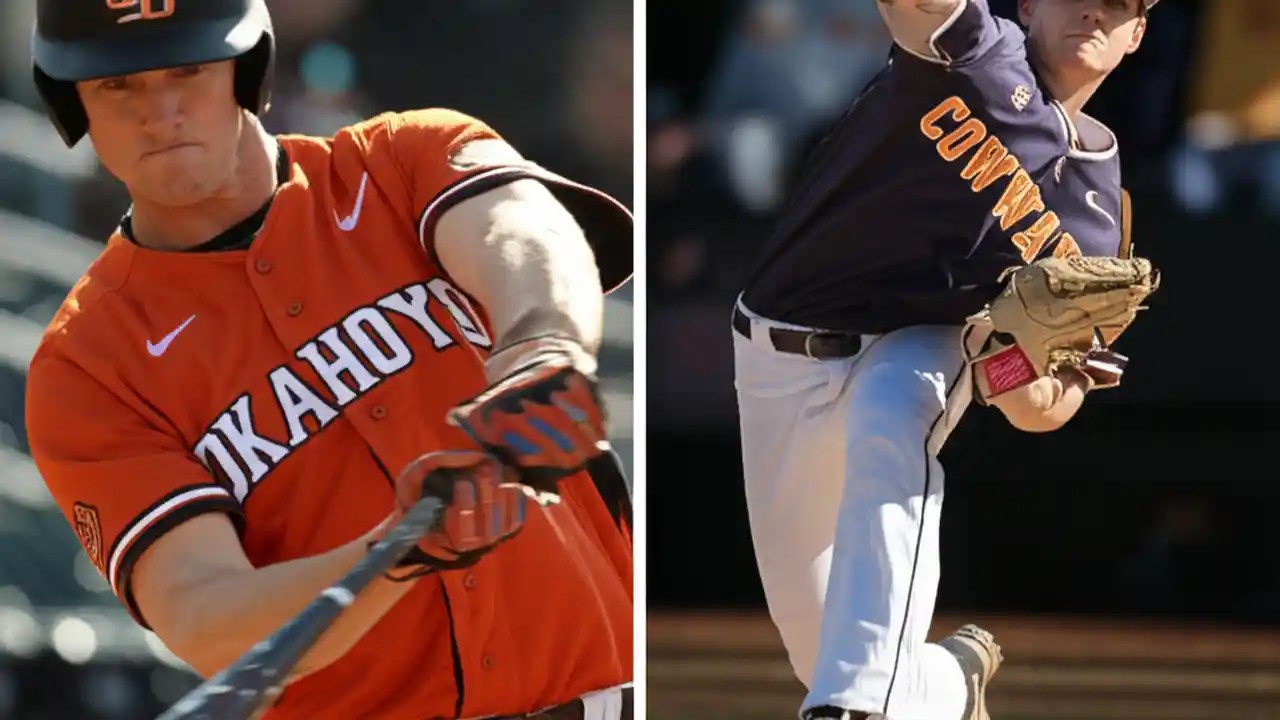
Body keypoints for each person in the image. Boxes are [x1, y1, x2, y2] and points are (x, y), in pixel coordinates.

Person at [23, 1, 634, 718]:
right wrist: (397, 550)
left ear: (247, 69)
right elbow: (206, 614)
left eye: (188, 69)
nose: (159, 110)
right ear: (74, 105)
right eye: (117, 84)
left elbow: (520, 227)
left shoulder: (398, 161)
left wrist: (541, 344)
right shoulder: (87, 367)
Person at [731, 0, 1156, 718]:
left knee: (894, 408)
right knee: (819, 643)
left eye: (1120, 5)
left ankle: (848, 708)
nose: (1094, 11)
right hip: (779, 349)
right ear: (1028, 5)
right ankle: (948, 687)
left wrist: (1018, 359)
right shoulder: (978, 54)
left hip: (920, 349)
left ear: (1137, 34)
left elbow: (1043, 409)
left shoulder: (1098, 217)